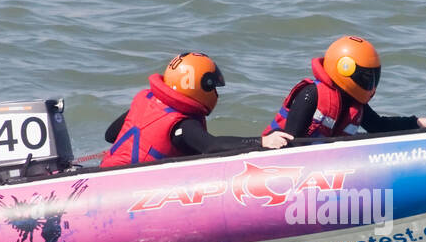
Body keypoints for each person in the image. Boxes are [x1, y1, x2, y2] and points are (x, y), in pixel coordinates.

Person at [100, 52, 292, 168]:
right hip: (126, 186)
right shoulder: (181, 124)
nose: (216, 92)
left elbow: (111, 135)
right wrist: (262, 141)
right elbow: (211, 146)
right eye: (213, 87)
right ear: (199, 86)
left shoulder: (145, 100)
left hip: (104, 174)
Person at [263, 35, 426, 140]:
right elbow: (290, 140)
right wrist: (264, 142)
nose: (370, 83)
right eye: (365, 76)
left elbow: (378, 126)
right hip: (279, 159)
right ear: (344, 69)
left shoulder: (355, 103)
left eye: (372, 76)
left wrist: (417, 123)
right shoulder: (311, 94)